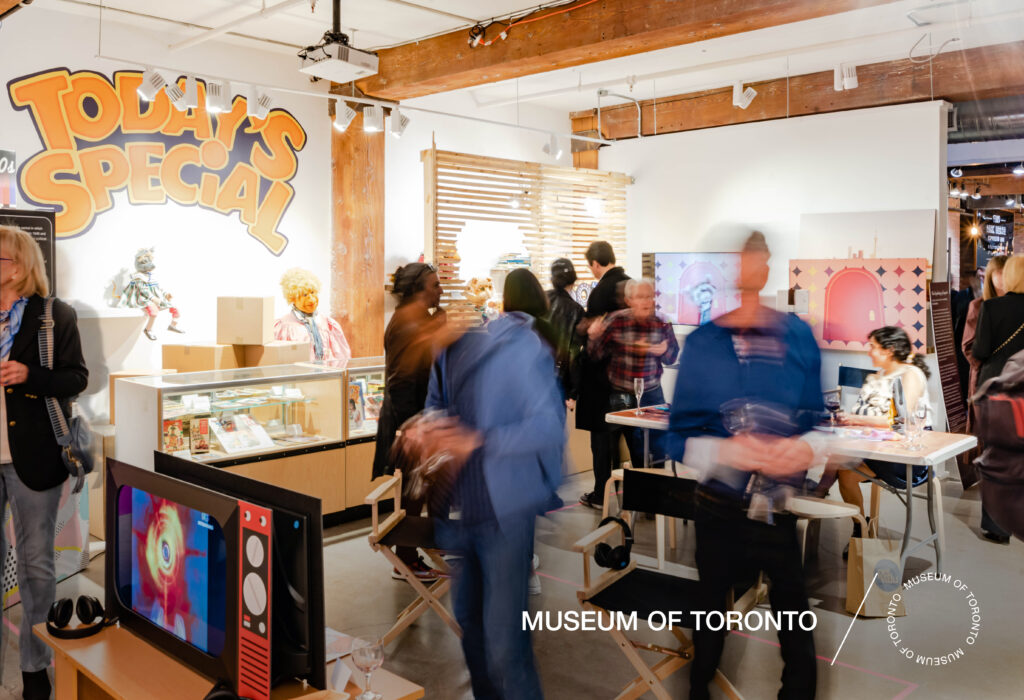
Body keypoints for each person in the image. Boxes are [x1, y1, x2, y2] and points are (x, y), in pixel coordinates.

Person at [668, 232, 822, 700]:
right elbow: (678, 437)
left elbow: (817, 418)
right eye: (740, 258)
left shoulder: (796, 334)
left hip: (776, 510)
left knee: (795, 624)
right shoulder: (704, 343)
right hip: (718, 509)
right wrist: (726, 452)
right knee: (710, 617)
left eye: (758, 257)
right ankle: (699, 689)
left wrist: (807, 449)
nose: (751, 267)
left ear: (767, 264)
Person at [426, 269, 564, 699]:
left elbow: (548, 428)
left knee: (506, 645)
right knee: (471, 629)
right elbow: (433, 408)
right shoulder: (446, 356)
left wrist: (481, 441)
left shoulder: (521, 351)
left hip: (506, 514)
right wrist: (427, 429)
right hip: (459, 514)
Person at [1, 225, 89, 700]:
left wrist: (29, 375)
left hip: (33, 458)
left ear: (20, 266)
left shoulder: (55, 318)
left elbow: (76, 378)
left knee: (36, 567)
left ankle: (36, 670)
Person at [372, 262, 449, 580]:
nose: (439, 290)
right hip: (411, 417)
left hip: (420, 415)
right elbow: (402, 379)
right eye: (434, 285)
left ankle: (430, 540)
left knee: (428, 483)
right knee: (413, 490)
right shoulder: (407, 323)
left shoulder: (417, 319)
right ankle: (405, 558)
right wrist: (411, 426)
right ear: (418, 289)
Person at [827, 326, 933, 553]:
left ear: (889, 350)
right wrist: (852, 422)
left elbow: (902, 422)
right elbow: (867, 417)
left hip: (906, 458)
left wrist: (854, 419)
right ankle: (861, 527)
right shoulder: (877, 377)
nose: (869, 353)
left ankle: (816, 495)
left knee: (837, 459)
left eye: (873, 347)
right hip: (877, 448)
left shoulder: (910, 374)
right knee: (844, 471)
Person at [588, 278, 679, 470]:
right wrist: (593, 337)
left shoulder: (662, 322)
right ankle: (633, 493)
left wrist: (664, 350)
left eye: (649, 296)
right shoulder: (616, 321)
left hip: (652, 393)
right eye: (640, 297)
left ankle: (657, 492)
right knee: (630, 448)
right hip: (621, 394)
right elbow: (596, 355)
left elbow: (672, 357)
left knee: (657, 448)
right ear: (629, 300)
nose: (646, 302)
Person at [972, 255, 1024, 543]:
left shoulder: (991, 307)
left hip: (998, 386)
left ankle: (998, 525)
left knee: (996, 451)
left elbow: (980, 350)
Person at [576, 241, 631, 509]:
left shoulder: (599, 293)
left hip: (603, 378)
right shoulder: (631, 285)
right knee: (631, 435)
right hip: (632, 376)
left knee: (601, 437)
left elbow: (593, 338)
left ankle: (601, 493)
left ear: (596, 264)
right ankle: (643, 495)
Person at [962, 256, 1007, 430]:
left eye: (1007, 274)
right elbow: (969, 347)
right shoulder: (979, 306)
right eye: (999, 273)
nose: (1004, 278)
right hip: (986, 377)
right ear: (990, 276)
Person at [274, 268, 351, 364]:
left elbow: (342, 357)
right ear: (293, 298)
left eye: (313, 293)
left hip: (327, 376)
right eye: (304, 295)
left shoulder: (329, 325)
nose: (311, 299)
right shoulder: (283, 327)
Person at [545, 258, 584, 404]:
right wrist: (573, 392)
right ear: (573, 279)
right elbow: (574, 353)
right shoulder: (576, 310)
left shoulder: (541, 299)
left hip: (534, 376)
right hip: (558, 380)